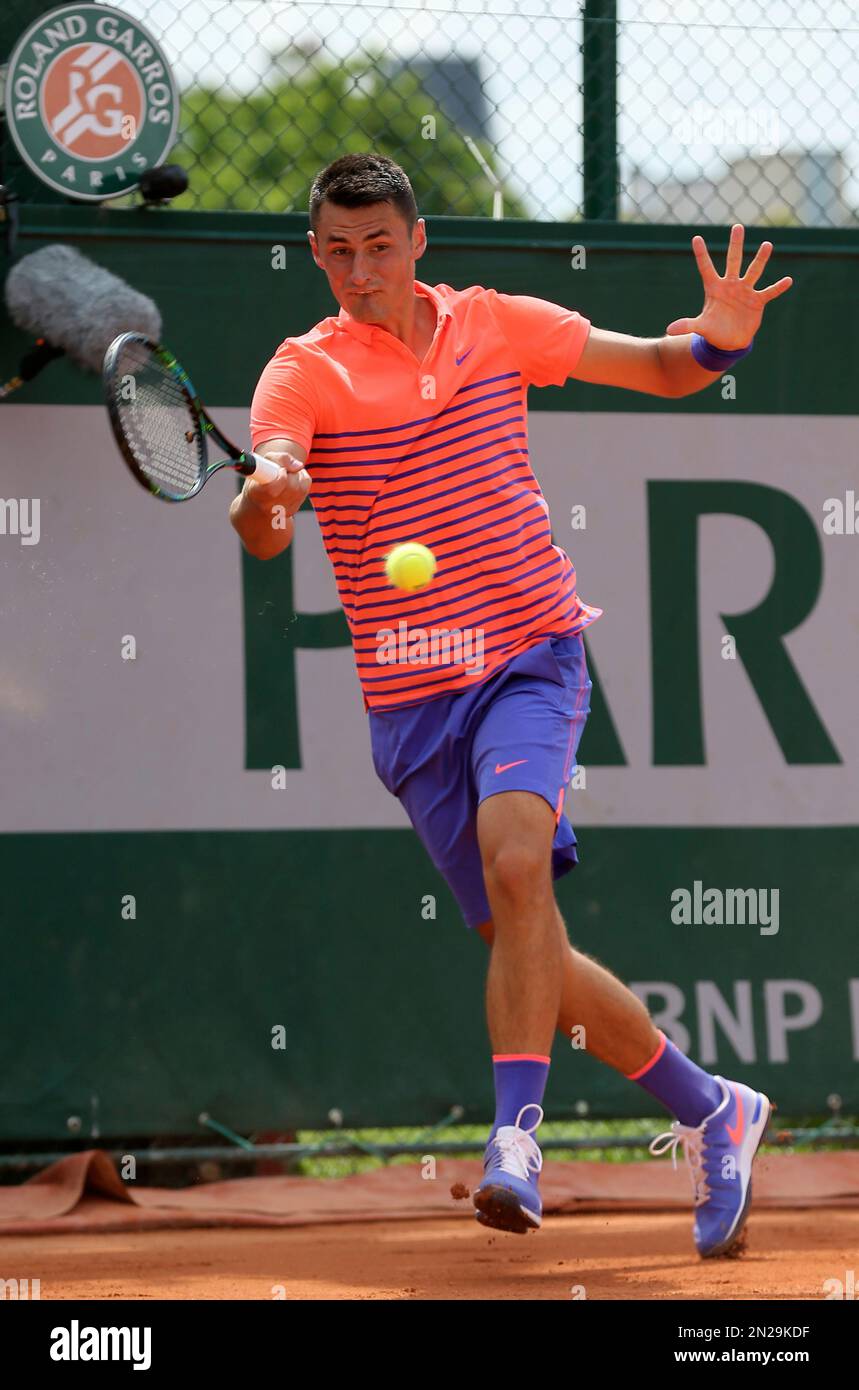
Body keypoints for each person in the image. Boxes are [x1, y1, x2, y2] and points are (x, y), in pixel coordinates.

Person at [231, 152, 792, 1255]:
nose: (360, 270)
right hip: (410, 696)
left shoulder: (499, 324)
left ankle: (515, 1141)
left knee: (517, 863)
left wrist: (719, 336)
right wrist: (267, 499)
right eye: (338, 251)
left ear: (417, 242)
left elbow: (666, 369)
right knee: (528, 949)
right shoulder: (300, 372)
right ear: (316, 254)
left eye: (379, 246)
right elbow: (265, 511)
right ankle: (713, 1108)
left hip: (530, 649)